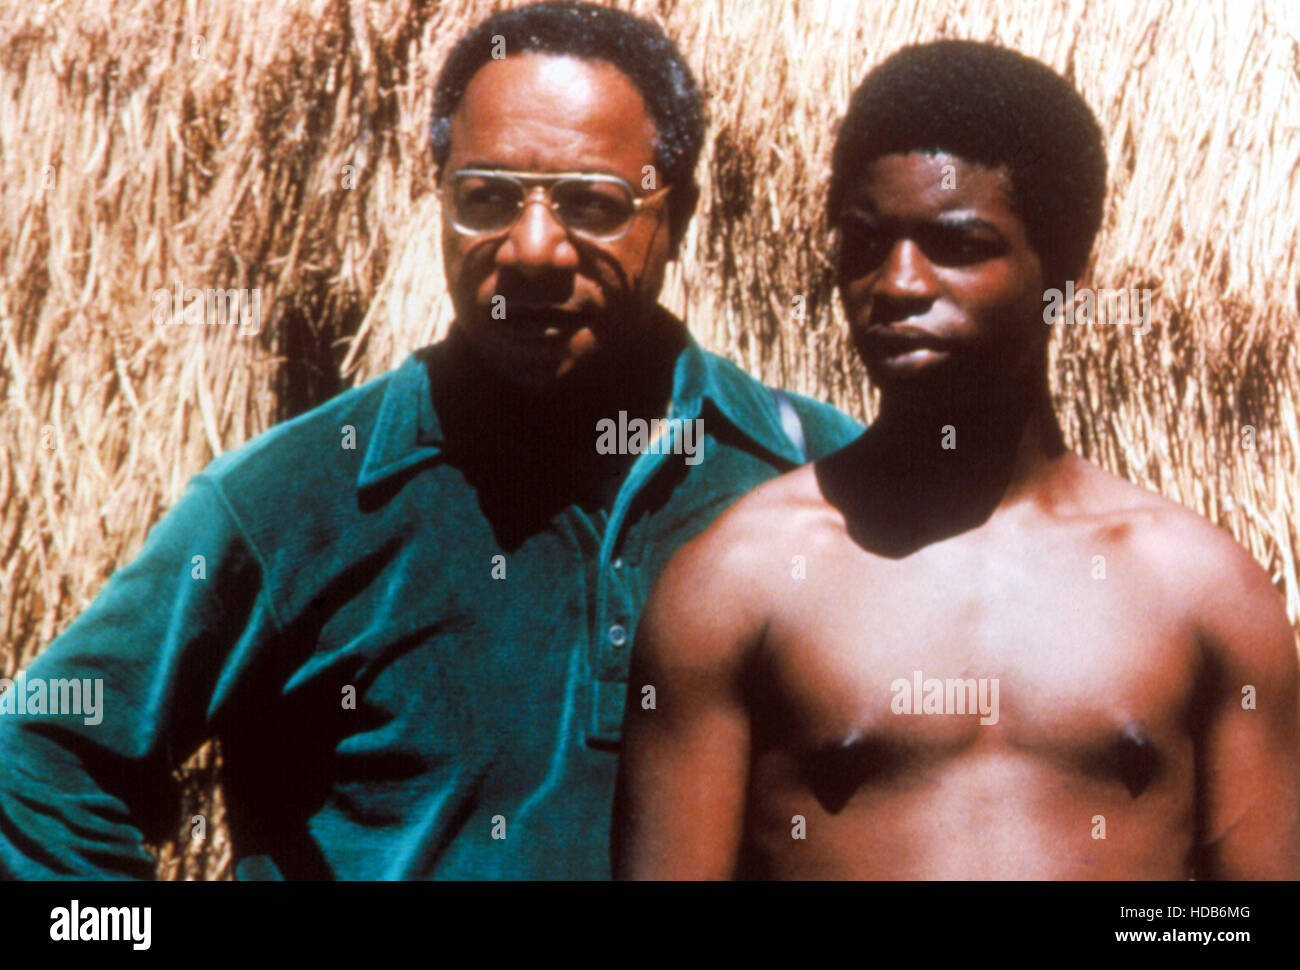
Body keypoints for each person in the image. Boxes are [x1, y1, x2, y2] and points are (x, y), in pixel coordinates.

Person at [0, 1, 861, 880]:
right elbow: (34, 766)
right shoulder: (293, 499)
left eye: (592, 205)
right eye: (485, 197)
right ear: (437, 198)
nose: (532, 250)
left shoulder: (818, 478)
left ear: (677, 216)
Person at [613, 39, 1300, 880]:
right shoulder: (739, 581)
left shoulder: (1203, 591)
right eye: (866, 243)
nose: (899, 283)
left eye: (959, 245)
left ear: (1065, 283)